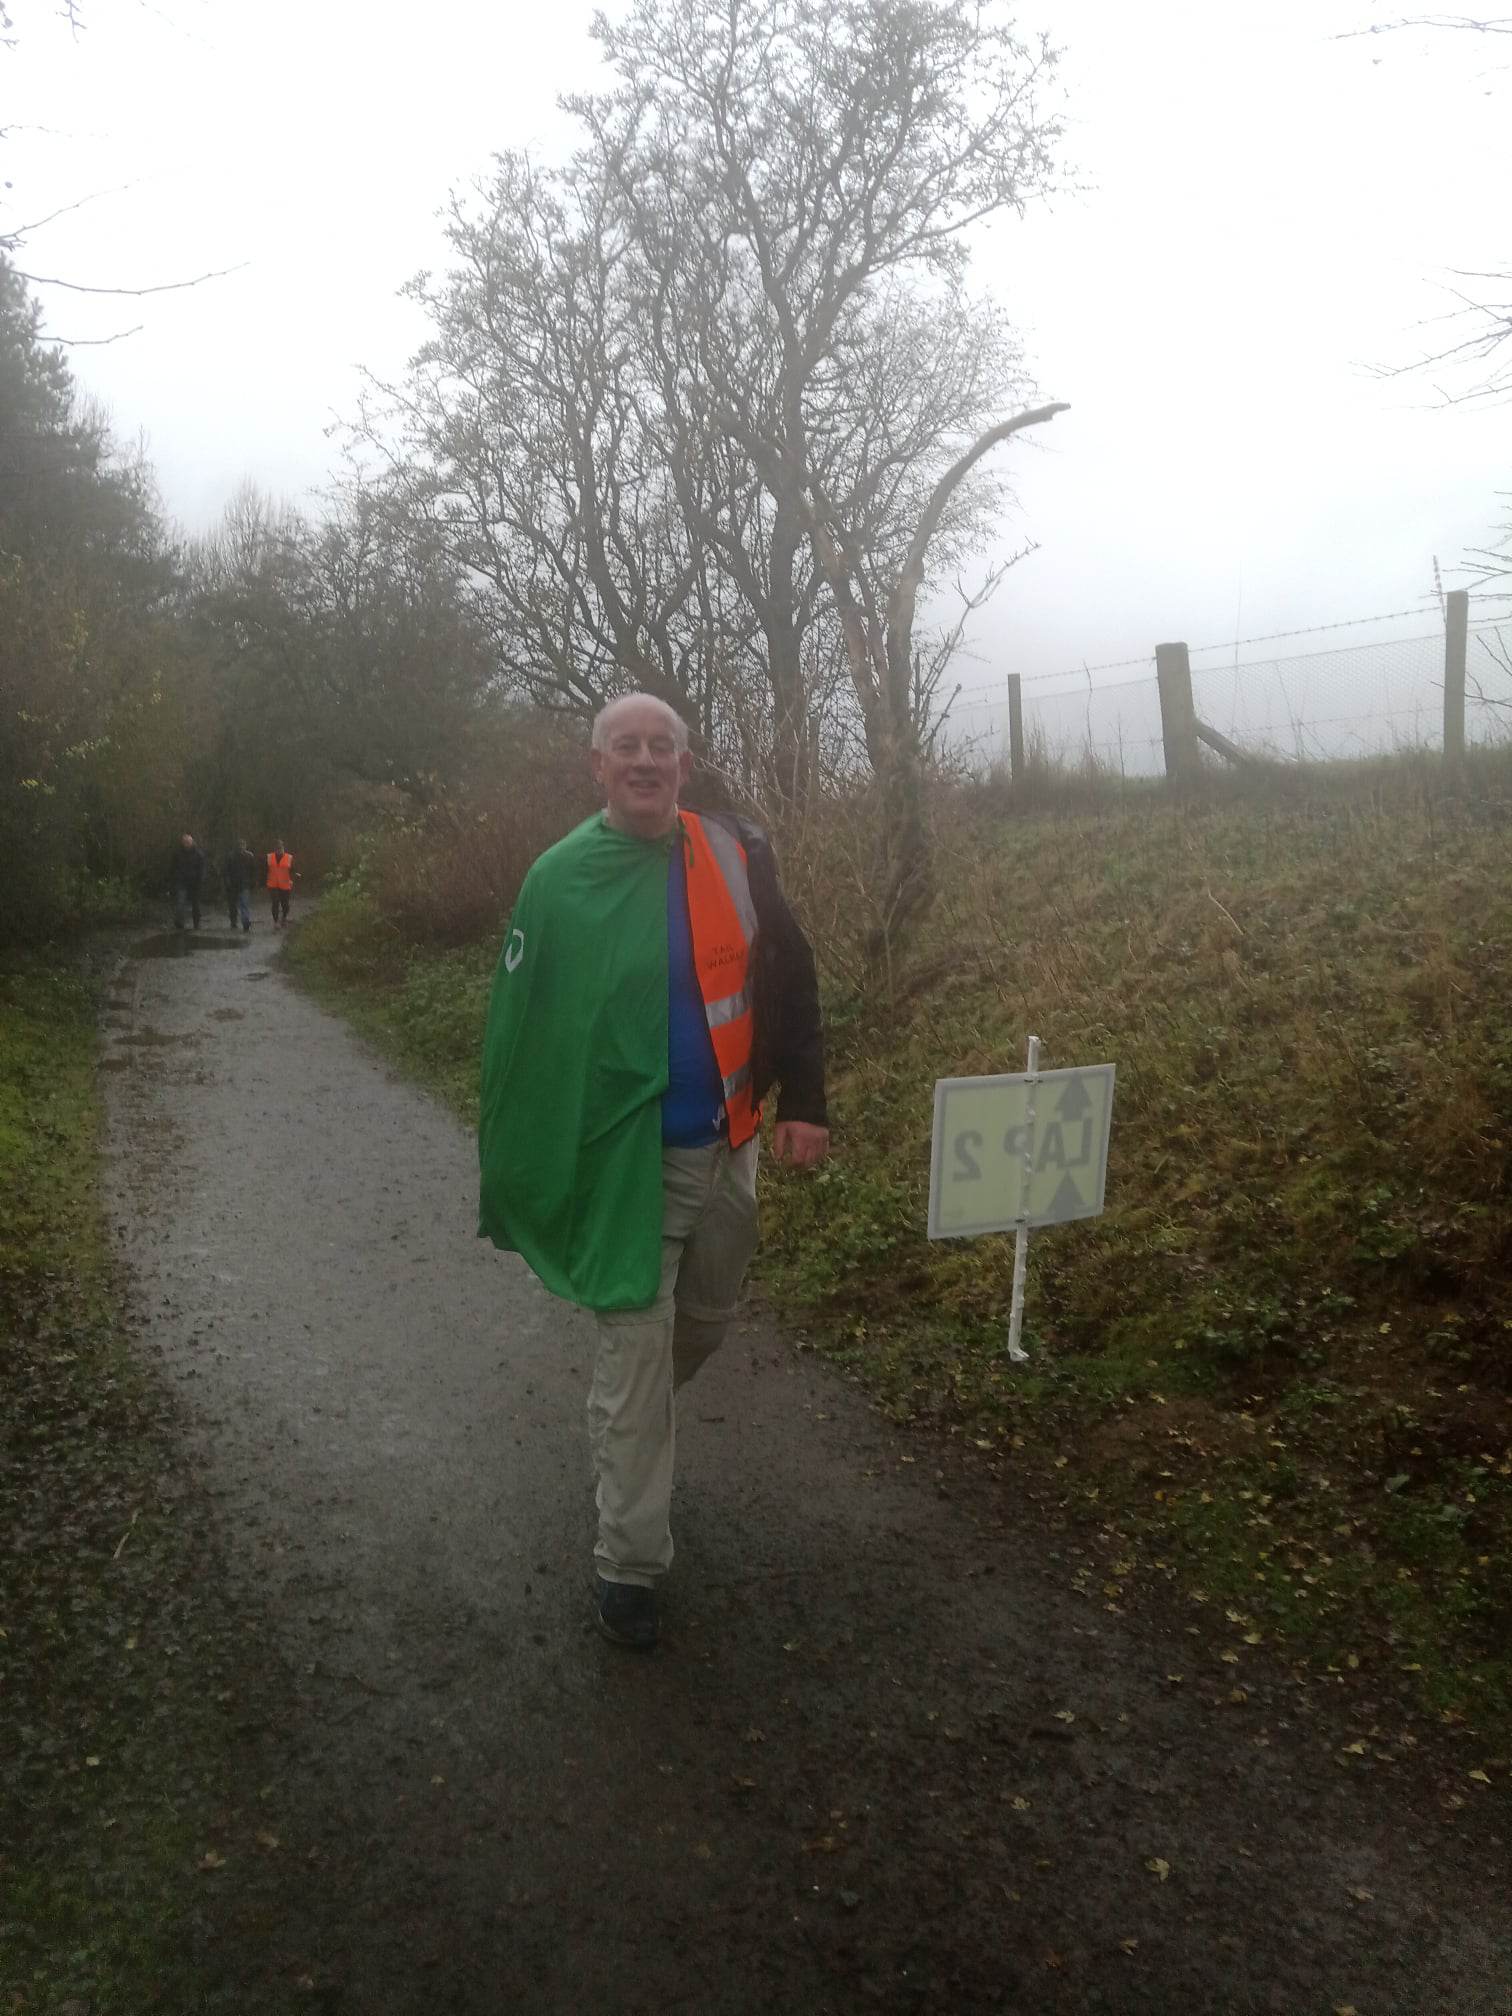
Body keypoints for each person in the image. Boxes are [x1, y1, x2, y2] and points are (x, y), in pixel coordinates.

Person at [478, 693, 829, 1651]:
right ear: (596, 766)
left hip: (730, 1145)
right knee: (636, 1356)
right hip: (628, 1163)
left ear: (682, 761)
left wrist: (807, 1100)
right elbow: (522, 1036)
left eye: (659, 747)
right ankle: (629, 1565)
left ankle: (625, 1429)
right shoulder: (558, 880)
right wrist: (523, 1154)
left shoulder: (731, 851)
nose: (644, 760)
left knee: (703, 1326)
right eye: (624, 747)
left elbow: (789, 972)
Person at [168, 832, 207, 931]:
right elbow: (173, 868)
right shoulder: (177, 854)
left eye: (188, 842)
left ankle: (196, 923)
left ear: (192, 842)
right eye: (185, 842)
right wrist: (174, 879)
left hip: (195, 883)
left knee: (196, 905)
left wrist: (201, 880)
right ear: (182, 843)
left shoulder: (199, 854)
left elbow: (202, 869)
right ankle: (179, 923)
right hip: (181, 882)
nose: (187, 844)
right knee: (180, 903)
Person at [222, 839, 257, 933]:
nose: (242, 847)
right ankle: (233, 921)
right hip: (233, 884)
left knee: (244, 904)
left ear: (245, 846)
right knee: (233, 905)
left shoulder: (250, 856)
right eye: (240, 846)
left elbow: (253, 871)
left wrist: (252, 882)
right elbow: (226, 871)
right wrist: (227, 882)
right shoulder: (230, 856)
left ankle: (245, 922)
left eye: (243, 845)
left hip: (244, 884)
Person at [266, 840, 295, 928]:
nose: (279, 850)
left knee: (285, 904)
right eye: (277, 848)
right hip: (272, 884)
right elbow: (263, 870)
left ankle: (284, 918)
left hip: (285, 884)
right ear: (274, 849)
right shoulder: (269, 857)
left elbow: (294, 870)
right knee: (275, 902)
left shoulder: (289, 857)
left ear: (283, 848)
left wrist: (293, 879)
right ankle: (276, 922)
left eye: (280, 848)